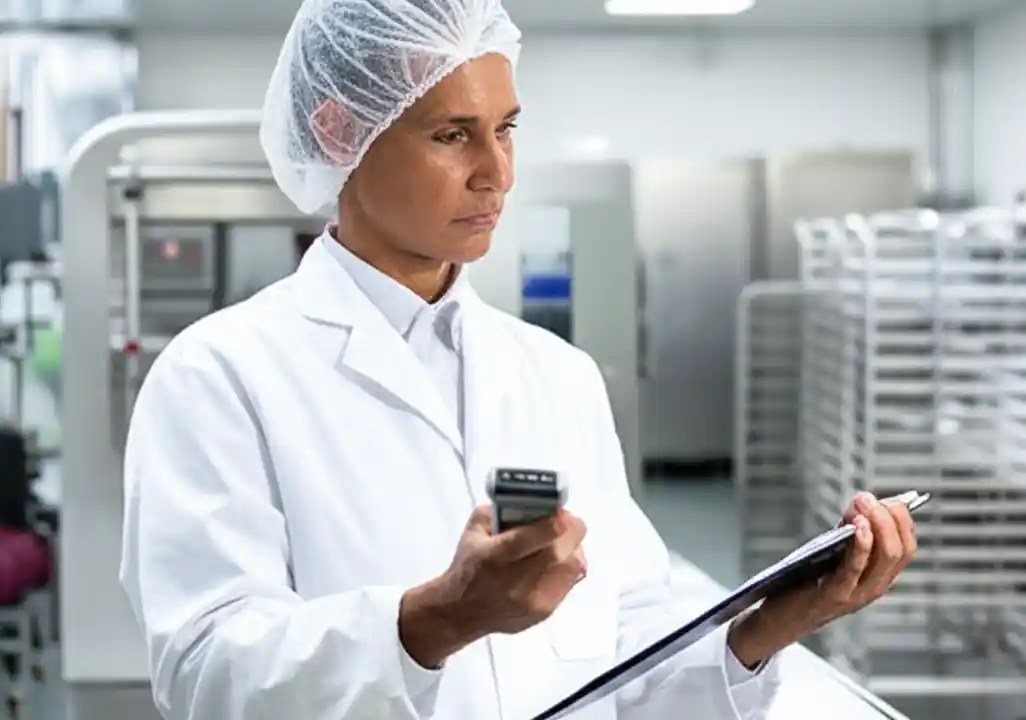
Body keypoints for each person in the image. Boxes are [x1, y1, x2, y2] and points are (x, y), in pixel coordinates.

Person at [118, 1, 918, 718]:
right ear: (337, 132)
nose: (497, 173)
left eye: (505, 129)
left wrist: (766, 627)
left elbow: (628, 644)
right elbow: (204, 673)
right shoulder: (221, 376)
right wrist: (437, 618)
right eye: (450, 134)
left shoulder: (556, 374)